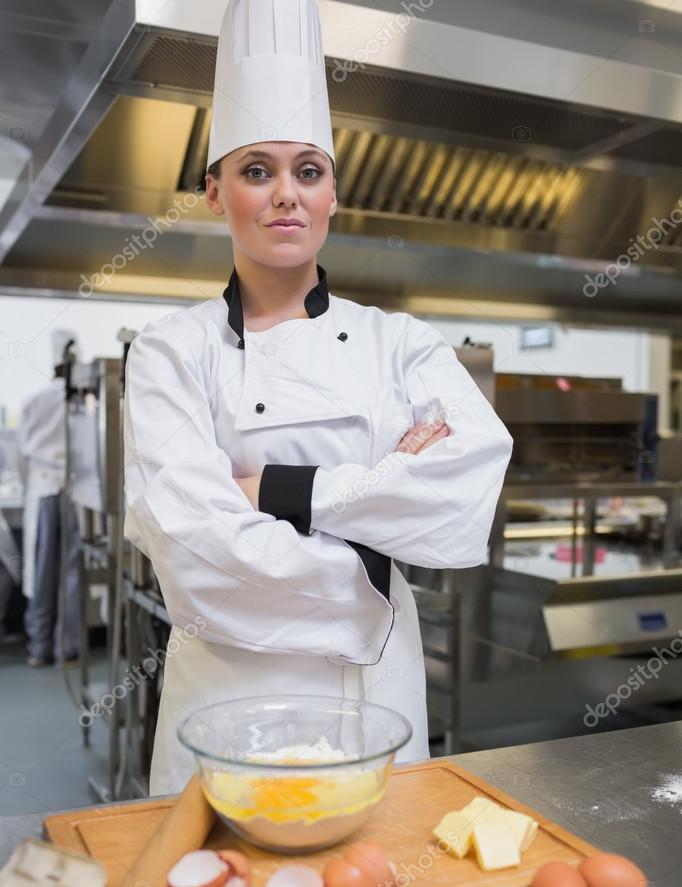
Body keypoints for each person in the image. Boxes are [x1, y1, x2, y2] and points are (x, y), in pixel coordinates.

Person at [123, 0, 513, 797]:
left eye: (308, 170)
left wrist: (272, 490)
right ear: (213, 193)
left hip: (381, 703)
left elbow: (466, 487)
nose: (285, 196)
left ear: (333, 193)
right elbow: (201, 554)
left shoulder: (400, 344)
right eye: (255, 171)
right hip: (229, 709)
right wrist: (373, 554)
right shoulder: (172, 351)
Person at [16, 329, 81, 666]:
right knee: (70, 572)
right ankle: (64, 649)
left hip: (43, 491)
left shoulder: (35, 399)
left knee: (41, 572)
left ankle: (38, 647)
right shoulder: (81, 401)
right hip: (71, 494)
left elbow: (21, 456)